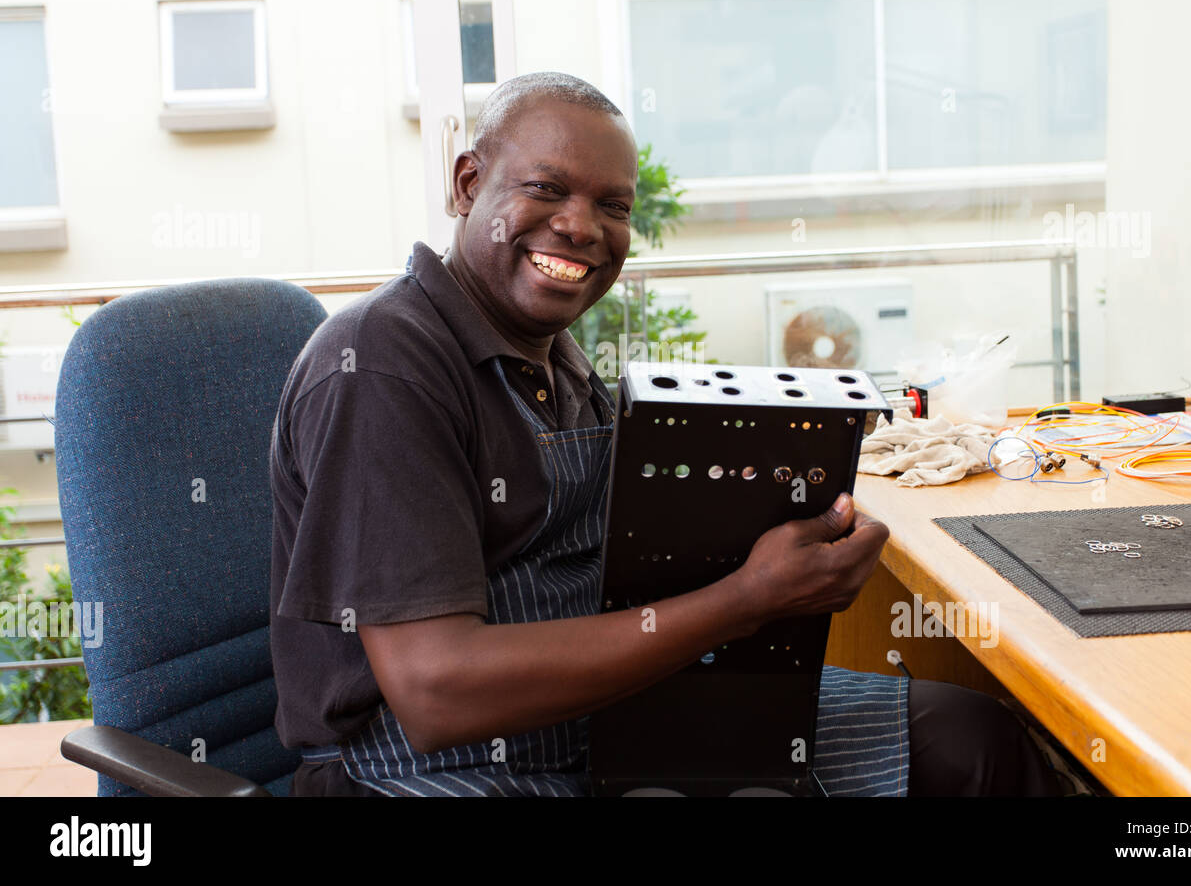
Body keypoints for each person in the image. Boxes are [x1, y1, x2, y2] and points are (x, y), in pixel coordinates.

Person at [268, 71, 1061, 796]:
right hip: (423, 764)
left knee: (971, 738)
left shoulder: (561, 360)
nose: (581, 227)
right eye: (547, 188)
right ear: (468, 183)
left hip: (597, 710)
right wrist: (745, 601)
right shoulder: (382, 365)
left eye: (613, 206)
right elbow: (437, 692)